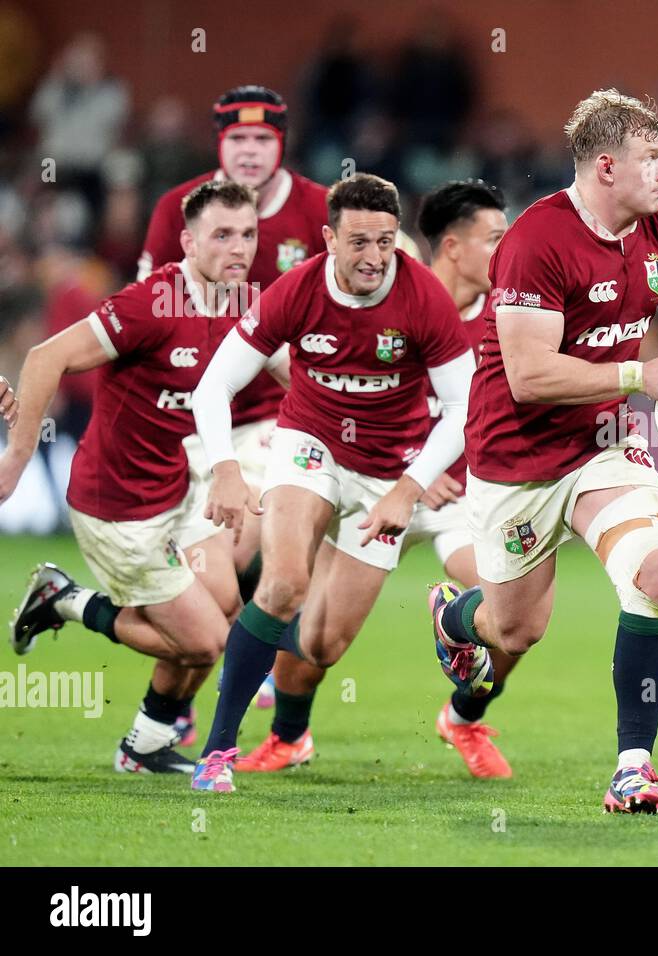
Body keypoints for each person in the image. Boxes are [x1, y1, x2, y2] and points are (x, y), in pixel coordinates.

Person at [430, 89, 658, 815]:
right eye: (650, 158)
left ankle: (634, 768)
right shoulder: (535, 242)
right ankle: (453, 618)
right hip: (514, 457)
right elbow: (530, 378)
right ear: (604, 166)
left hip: (602, 444)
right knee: (514, 628)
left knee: (657, 574)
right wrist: (642, 374)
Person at [190, 173, 474, 793]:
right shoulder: (296, 290)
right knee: (285, 581)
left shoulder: (424, 297)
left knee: (320, 646)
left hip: (385, 468)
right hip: (309, 442)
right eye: (358, 243)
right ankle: (216, 752)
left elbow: (464, 407)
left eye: (384, 241)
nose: (374, 257)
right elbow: (213, 385)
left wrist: (410, 485)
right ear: (328, 238)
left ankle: (288, 725)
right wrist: (227, 469)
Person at [1, 181, 264, 773]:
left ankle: (144, 744)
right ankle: (65, 600)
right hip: (117, 507)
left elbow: (291, 368)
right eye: (221, 235)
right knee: (203, 642)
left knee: (222, 603)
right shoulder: (151, 304)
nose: (238, 248)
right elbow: (46, 357)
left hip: (176, 487)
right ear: (187, 242)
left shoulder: (240, 301)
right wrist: (15, 462)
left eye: (247, 234)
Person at [141, 85, 330, 721]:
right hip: (189, 415)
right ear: (219, 142)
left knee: (242, 548)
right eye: (238, 139)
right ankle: (178, 690)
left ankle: (195, 698)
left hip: (275, 416)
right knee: (206, 583)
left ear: (283, 143)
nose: (250, 151)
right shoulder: (178, 209)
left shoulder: (317, 210)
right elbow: (147, 311)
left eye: (263, 139)